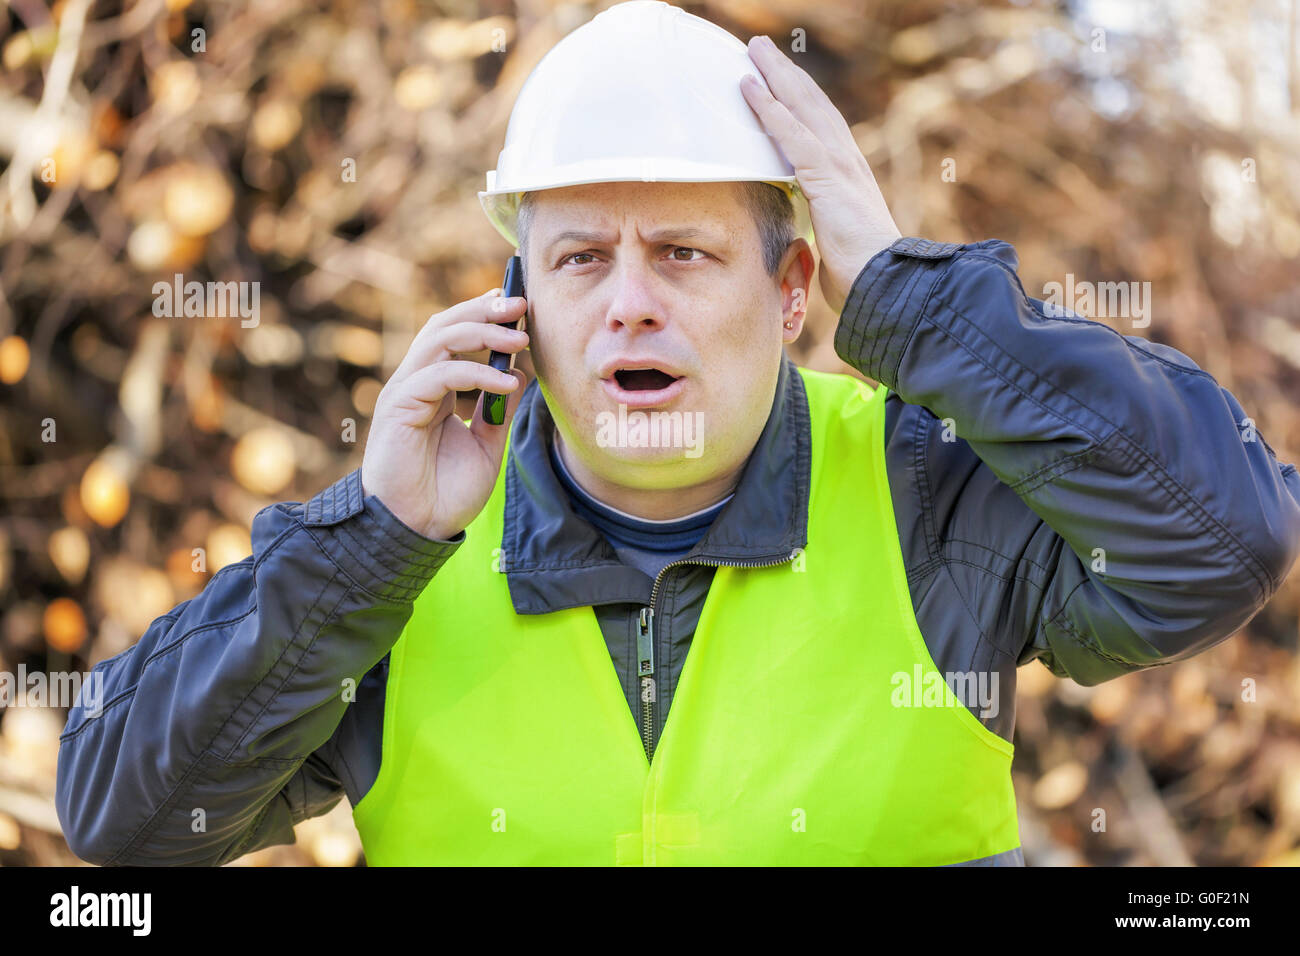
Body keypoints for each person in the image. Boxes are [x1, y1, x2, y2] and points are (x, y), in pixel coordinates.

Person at [56, 1, 1300, 866]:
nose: (629, 299)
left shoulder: (928, 493)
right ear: (517, 306)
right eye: (581, 257)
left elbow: (1225, 536)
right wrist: (368, 542)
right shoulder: (404, 552)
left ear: (796, 288)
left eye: (685, 253)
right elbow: (126, 826)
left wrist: (917, 302)